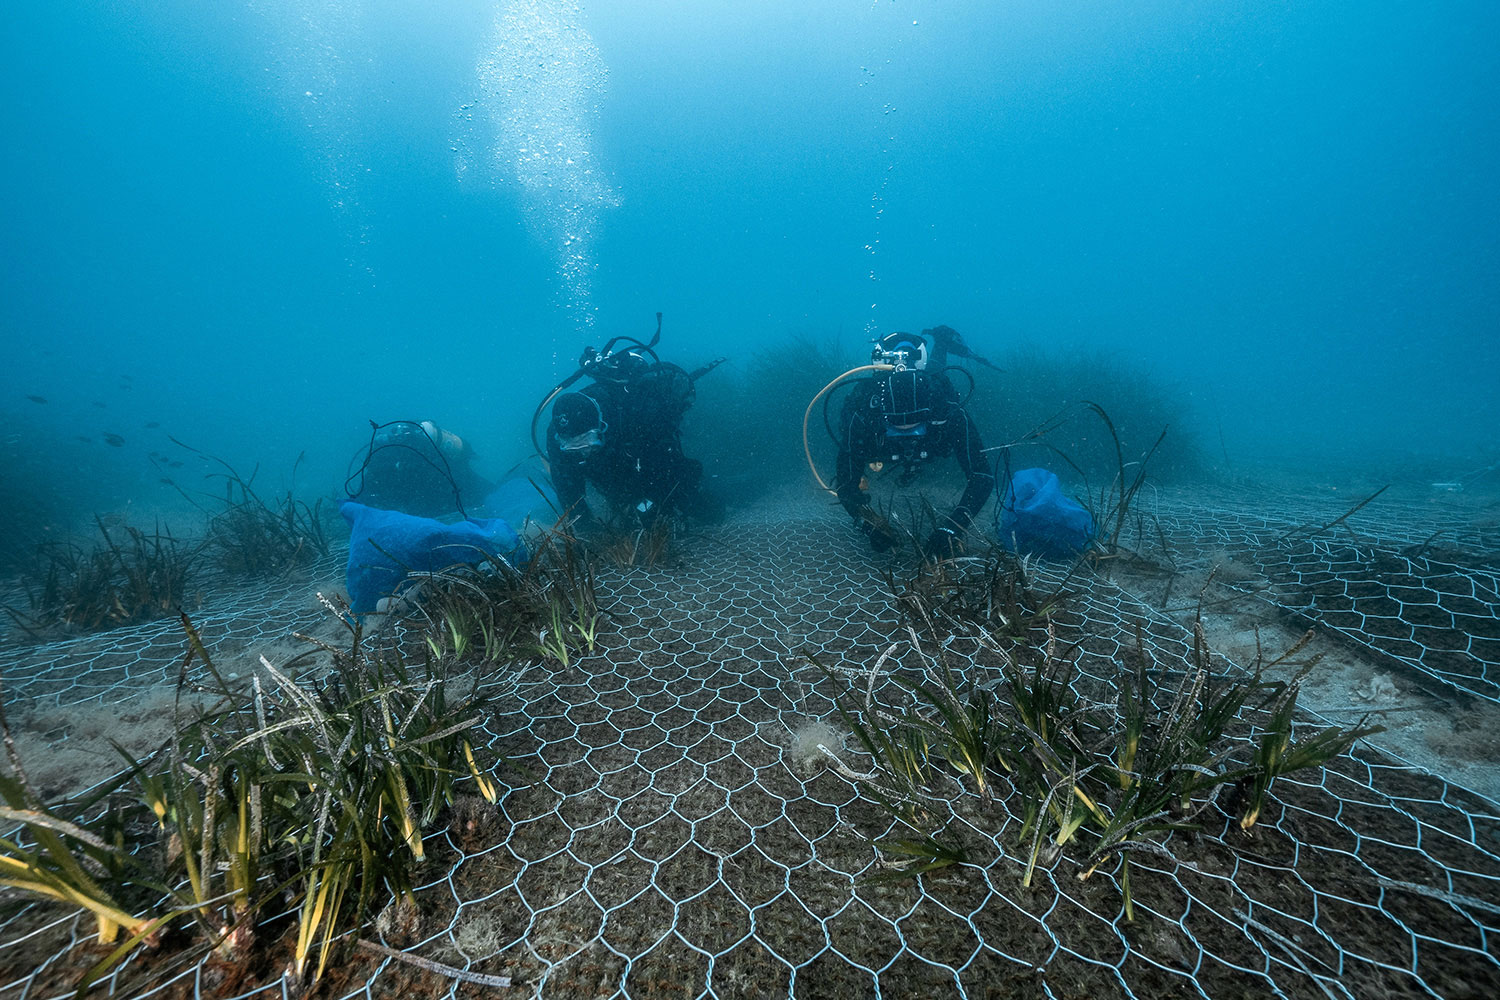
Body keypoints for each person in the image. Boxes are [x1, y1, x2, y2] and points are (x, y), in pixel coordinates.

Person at [833, 364, 995, 559]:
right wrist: (867, 525)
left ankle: (940, 343)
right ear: (883, 418)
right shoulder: (863, 417)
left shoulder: (948, 412)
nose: (907, 437)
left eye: (916, 428)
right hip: (881, 448)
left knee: (937, 363)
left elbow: (981, 475)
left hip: (932, 443)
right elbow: (846, 483)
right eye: (896, 428)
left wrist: (954, 528)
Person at [546, 354, 724, 529]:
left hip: (646, 462)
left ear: (602, 424)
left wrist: (649, 505)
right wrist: (587, 529)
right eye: (572, 446)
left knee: (703, 511)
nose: (583, 452)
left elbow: (663, 463)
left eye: (587, 441)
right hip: (612, 474)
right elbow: (567, 491)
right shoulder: (558, 434)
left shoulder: (636, 413)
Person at [348, 419, 494, 519]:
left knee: (485, 493)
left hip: (446, 491)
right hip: (445, 490)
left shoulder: (395, 460)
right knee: (484, 491)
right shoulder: (384, 461)